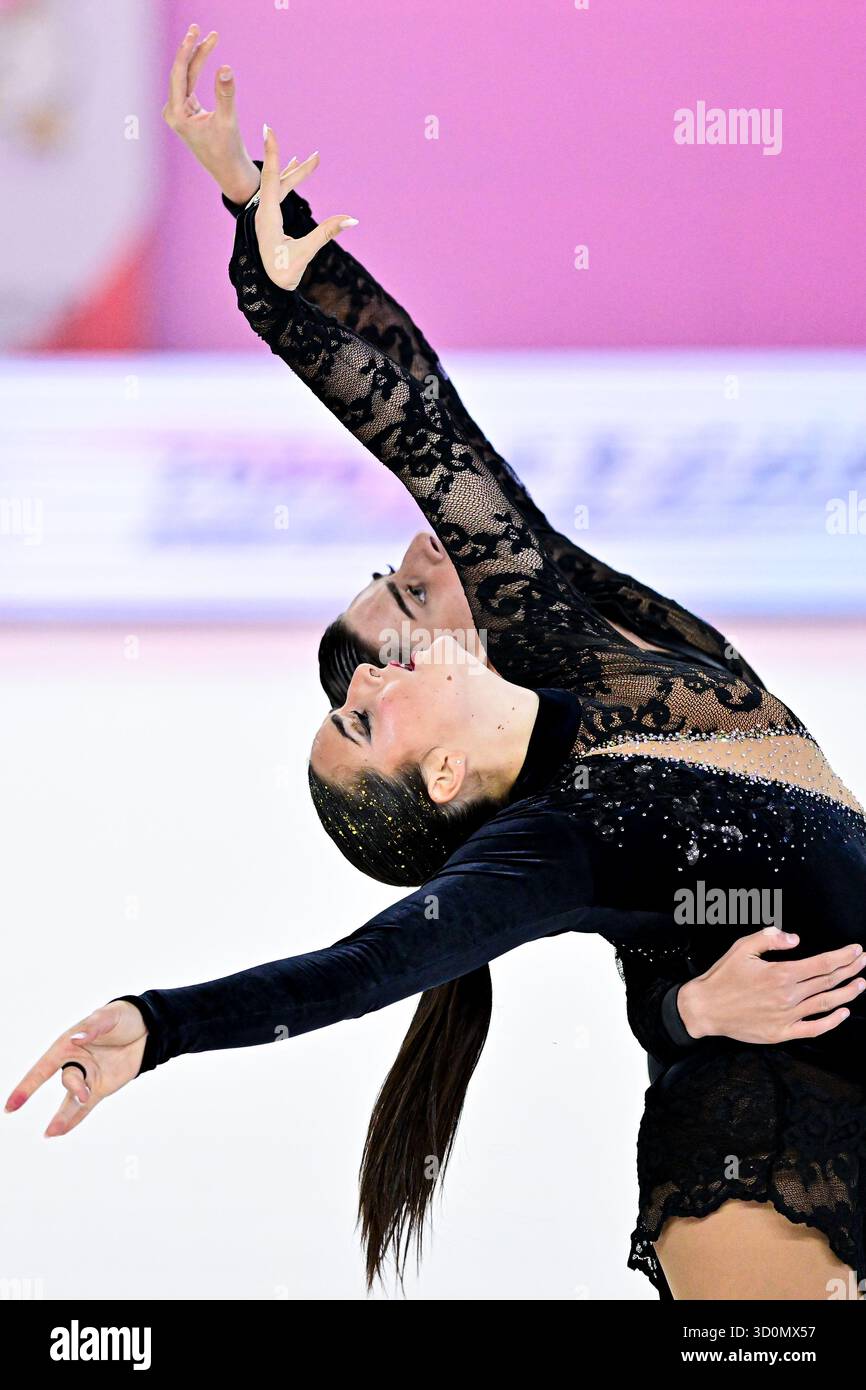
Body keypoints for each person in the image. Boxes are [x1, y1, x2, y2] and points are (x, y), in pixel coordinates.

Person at [6, 31, 865, 1304]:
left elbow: (426, 430)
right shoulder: (543, 849)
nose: (362, 679)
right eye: (359, 720)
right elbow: (360, 969)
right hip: (761, 1144)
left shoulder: (570, 638)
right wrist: (158, 1022)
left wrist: (265, 231)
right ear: (446, 769)